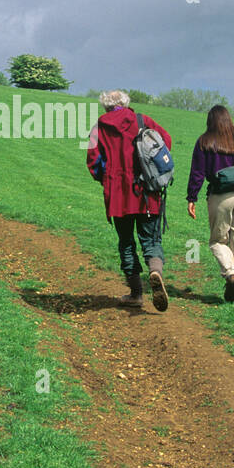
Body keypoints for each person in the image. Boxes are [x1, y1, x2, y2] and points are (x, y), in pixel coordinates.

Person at [86, 90, 172, 311]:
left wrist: (106, 179)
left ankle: (135, 294)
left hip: (118, 196)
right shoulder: (143, 120)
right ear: (125, 103)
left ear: (106, 106)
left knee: (126, 242)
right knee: (151, 240)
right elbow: (166, 143)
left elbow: (93, 161)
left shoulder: (99, 127)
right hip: (147, 192)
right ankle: (155, 271)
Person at [185, 105, 234, 304]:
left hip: (220, 196)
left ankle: (230, 274)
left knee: (218, 241)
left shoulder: (204, 142)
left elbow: (198, 173)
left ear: (210, 121)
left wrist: (192, 198)